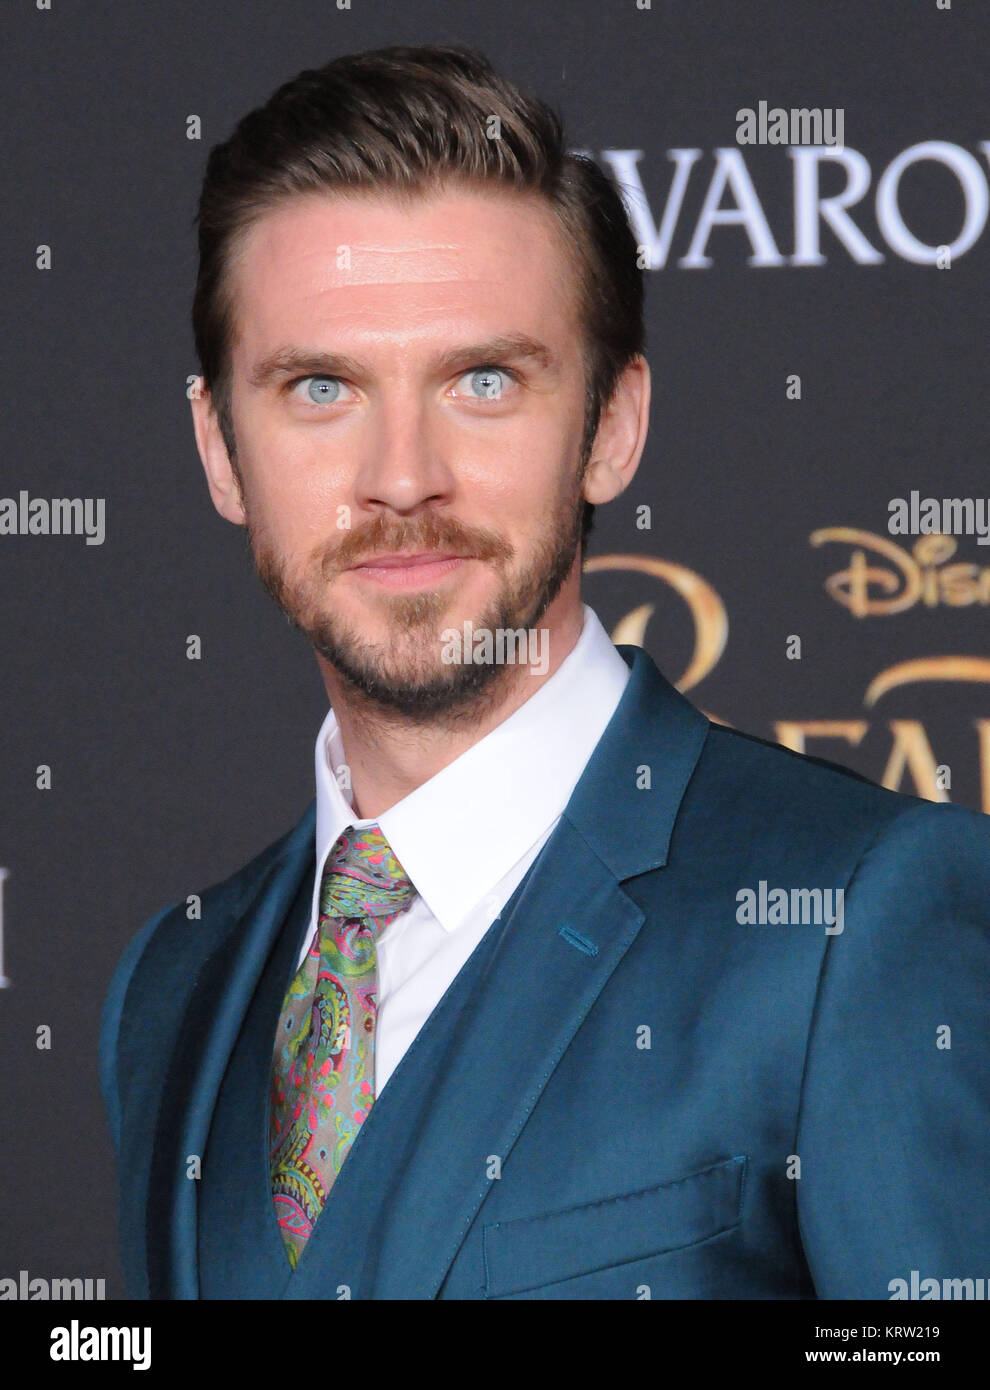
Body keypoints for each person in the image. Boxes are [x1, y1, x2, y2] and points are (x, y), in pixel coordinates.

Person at [99, 43, 990, 1300]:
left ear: (612, 426)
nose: (402, 475)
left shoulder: (860, 919)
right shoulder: (171, 988)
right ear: (220, 447)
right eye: (319, 387)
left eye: (482, 380)